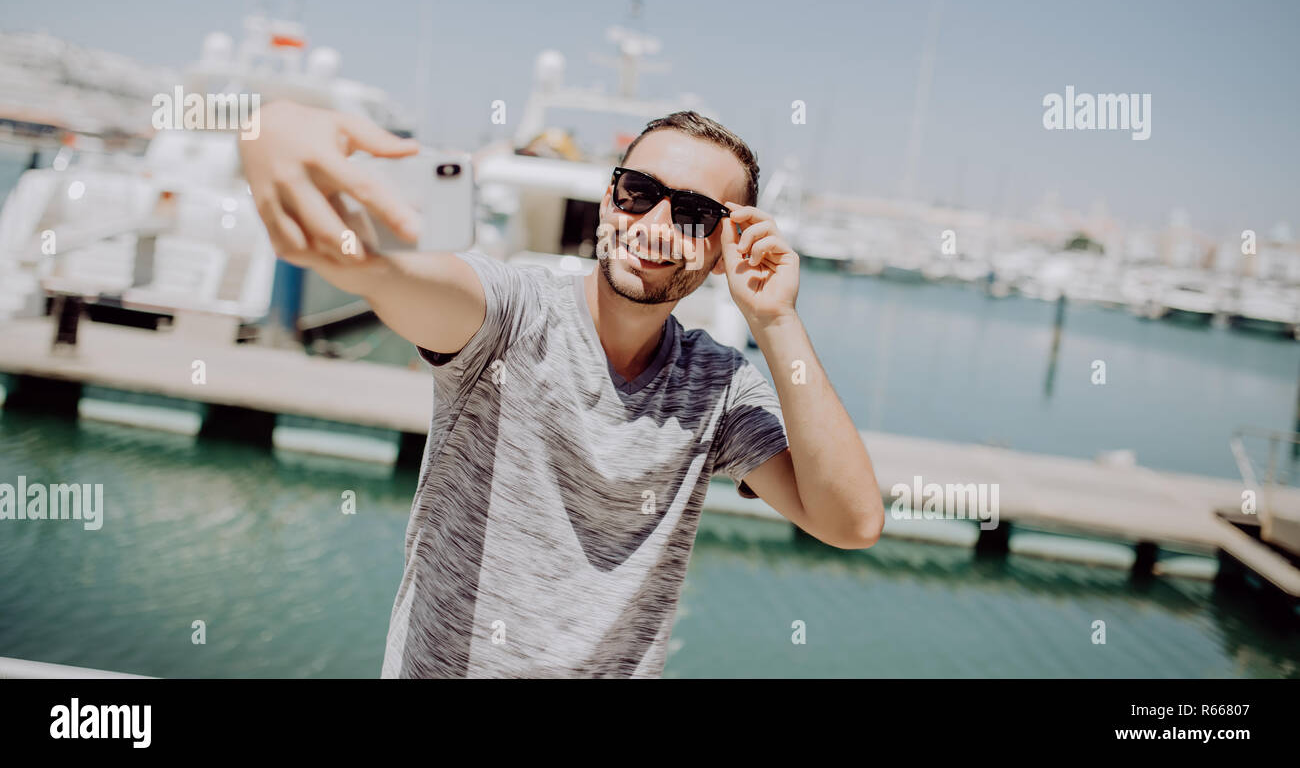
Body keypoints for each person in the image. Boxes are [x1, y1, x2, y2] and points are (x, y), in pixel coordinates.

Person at [238, 102, 884, 677]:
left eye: (693, 214)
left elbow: (850, 521)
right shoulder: (512, 315)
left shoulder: (715, 385)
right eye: (639, 192)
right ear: (609, 201)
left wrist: (776, 320)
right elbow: (374, 269)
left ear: (721, 249)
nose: (657, 224)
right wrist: (269, 128)